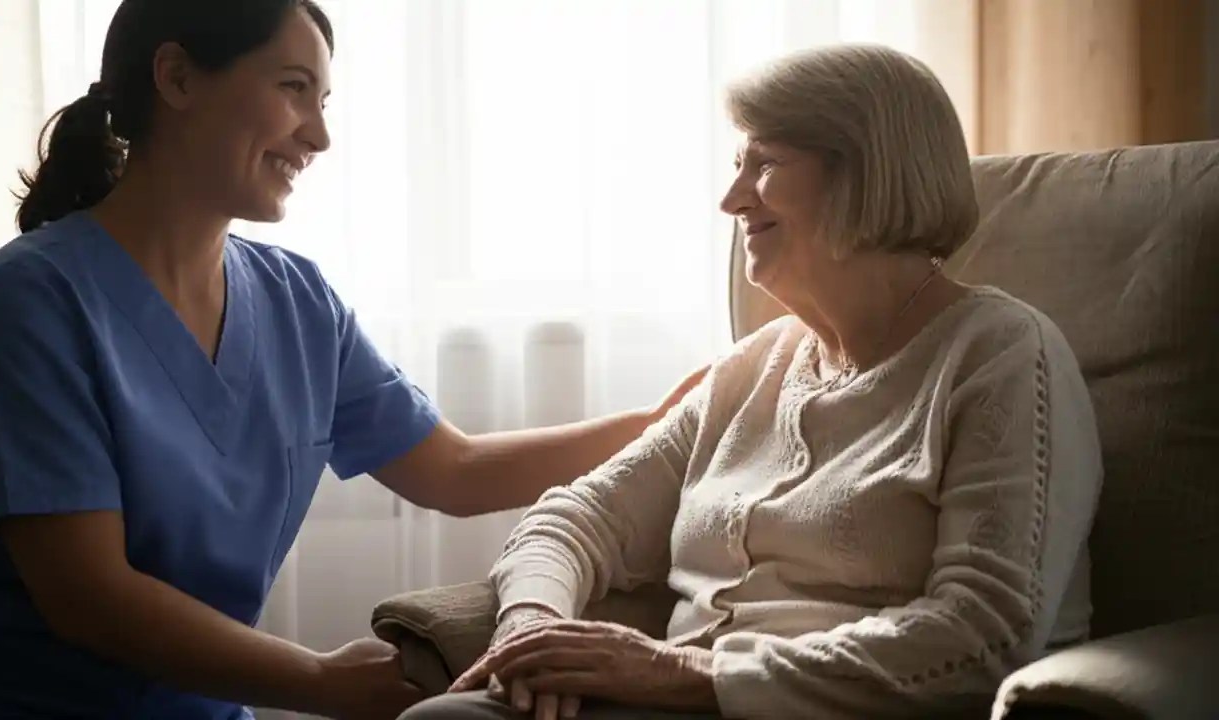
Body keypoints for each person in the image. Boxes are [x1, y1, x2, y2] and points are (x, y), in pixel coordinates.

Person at [0, 1, 706, 718]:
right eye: (292, 89)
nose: (318, 136)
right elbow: (88, 596)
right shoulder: (28, 303)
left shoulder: (296, 302)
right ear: (176, 77)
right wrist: (318, 680)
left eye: (323, 102)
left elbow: (455, 469)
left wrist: (668, 424)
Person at [402, 44, 1103, 720]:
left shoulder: (1001, 355)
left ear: (866, 175)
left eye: (764, 164)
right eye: (738, 164)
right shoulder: (753, 368)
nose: (732, 200)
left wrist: (687, 674)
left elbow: (981, 636)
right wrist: (532, 628)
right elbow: (571, 520)